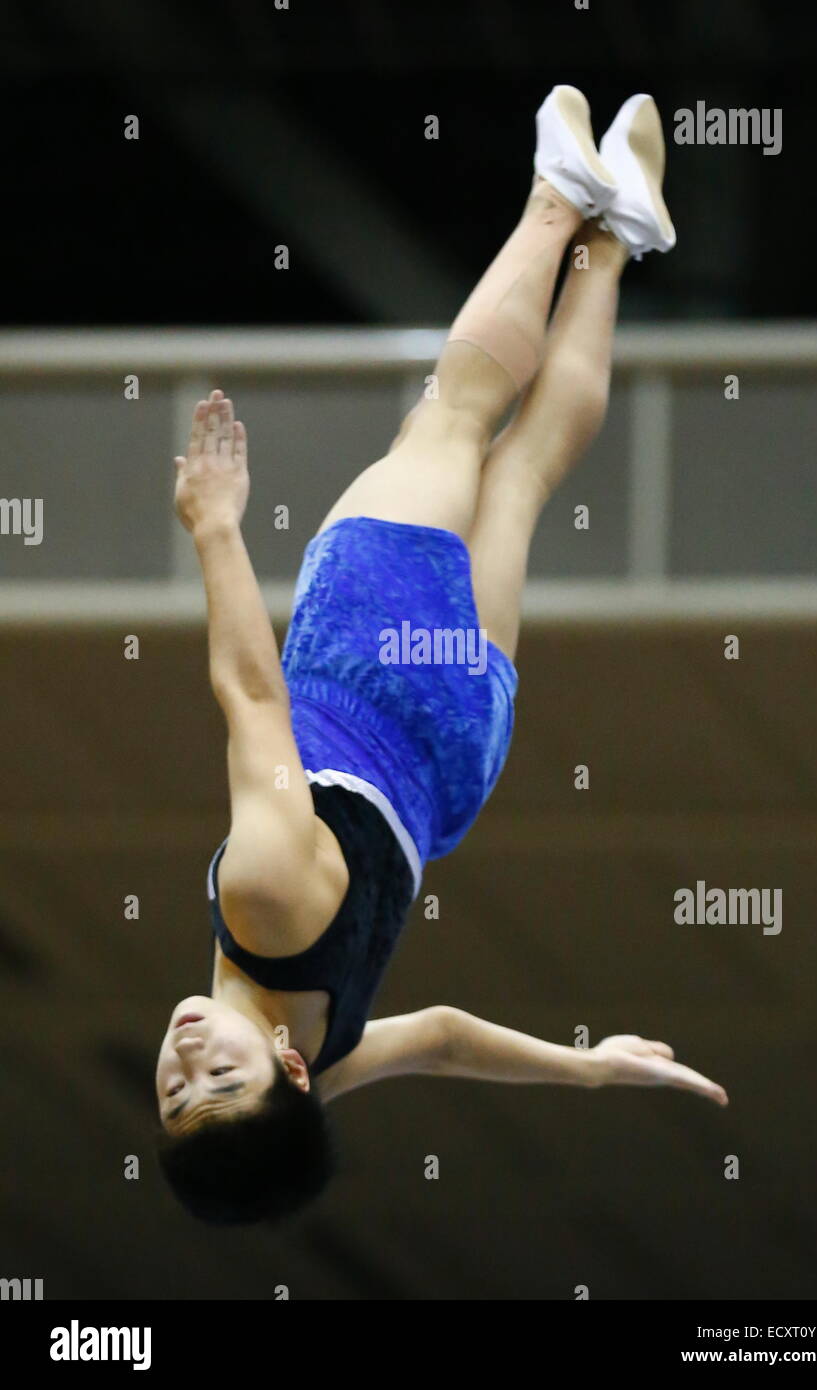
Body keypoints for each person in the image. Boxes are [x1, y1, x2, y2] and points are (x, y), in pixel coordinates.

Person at [155, 87, 726, 1225]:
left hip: (453, 768)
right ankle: (556, 202)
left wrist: (593, 1066)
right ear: (289, 1075)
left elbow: (451, 1041)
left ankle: (616, 247)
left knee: (519, 479)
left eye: (175, 1096)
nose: (186, 1060)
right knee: (455, 419)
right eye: (224, 1075)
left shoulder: (333, 1056)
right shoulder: (263, 898)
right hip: (366, 672)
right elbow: (249, 689)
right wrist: (216, 527)